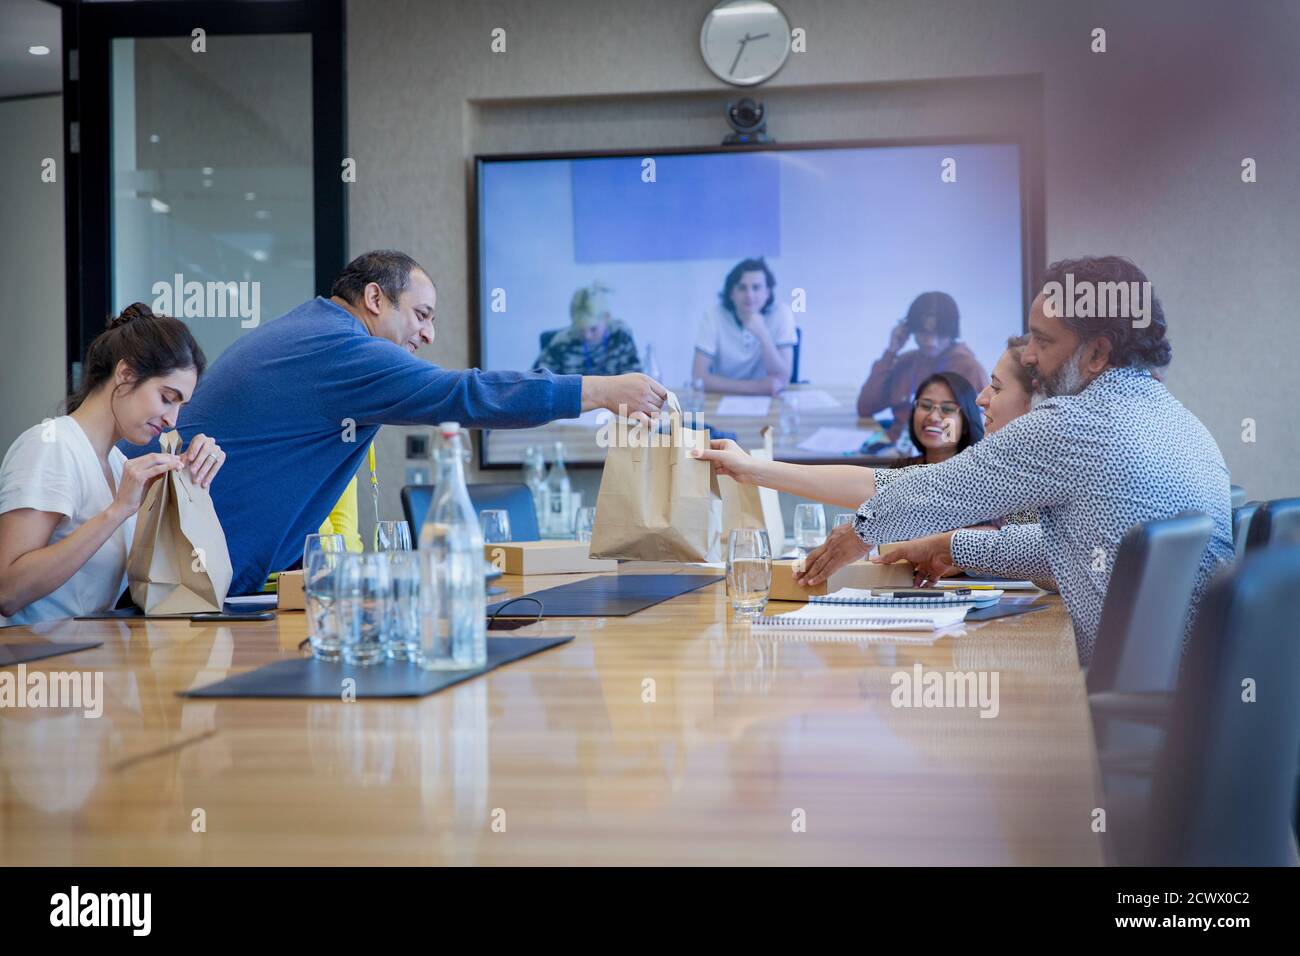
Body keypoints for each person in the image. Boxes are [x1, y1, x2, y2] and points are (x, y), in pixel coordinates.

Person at [125, 250, 667, 595]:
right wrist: (598, 390)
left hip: (203, 570)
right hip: (186, 579)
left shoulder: (314, 331)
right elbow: (465, 393)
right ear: (375, 298)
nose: (428, 335)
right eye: (422, 314)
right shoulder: (341, 348)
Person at [791, 256, 1234, 665]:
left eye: (1042, 340)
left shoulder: (1074, 424)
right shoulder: (1185, 423)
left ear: (1097, 354)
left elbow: (943, 490)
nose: (1028, 356)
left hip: (1128, 699)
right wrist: (946, 546)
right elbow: (1075, 552)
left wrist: (860, 531)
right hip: (1185, 691)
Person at [0, 304, 225, 625]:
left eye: (180, 406)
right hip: (36, 664)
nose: (172, 419)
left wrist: (189, 483)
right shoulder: (51, 446)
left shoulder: (119, 465)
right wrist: (118, 510)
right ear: (126, 373)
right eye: (166, 397)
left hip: (93, 656)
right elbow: (8, 592)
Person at [856, 291, 989, 444]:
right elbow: (865, 407)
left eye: (939, 333)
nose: (931, 341)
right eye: (924, 332)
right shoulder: (905, 361)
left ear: (951, 332)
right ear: (909, 330)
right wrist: (891, 352)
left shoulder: (968, 368)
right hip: (895, 451)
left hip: (939, 456)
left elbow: (975, 433)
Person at [692, 257, 797, 395]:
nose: (749, 295)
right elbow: (698, 378)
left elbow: (784, 377)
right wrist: (757, 388)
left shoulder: (782, 313)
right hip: (723, 398)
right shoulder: (713, 315)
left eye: (756, 287)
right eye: (742, 288)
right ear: (731, 293)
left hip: (770, 400)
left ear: (767, 292)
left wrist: (763, 335)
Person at [533, 282, 643, 375]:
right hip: (575, 400)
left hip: (617, 401)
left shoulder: (620, 335)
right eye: (580, 328)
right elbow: (535, 383)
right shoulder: (560, 343)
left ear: (606, 317)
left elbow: (636, 381)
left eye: (593, 329)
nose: (587, 335)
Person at [894, 372, 984, 467]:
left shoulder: (979, 474)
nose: (933, 417)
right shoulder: (901, 470)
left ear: (965, 424)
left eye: (947, 409)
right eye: (925, 405)